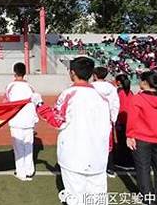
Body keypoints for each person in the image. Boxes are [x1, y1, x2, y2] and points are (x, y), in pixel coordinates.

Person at [34, 57, 111, 205]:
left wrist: (39, 104)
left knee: (76, 198)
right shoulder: (102, 98)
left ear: (72, 73)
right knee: (98, 199)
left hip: (74, 156)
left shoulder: (69, 94)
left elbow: (57, 120)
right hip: (98, 158)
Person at [126, 71, 157, 204]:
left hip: (142, 139)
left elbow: (132, 119)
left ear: (145, 83)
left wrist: (129, 135)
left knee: (143, 169)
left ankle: (147, 197)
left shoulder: (138, 99)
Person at [4, 62, 38, 181]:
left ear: (14, 72)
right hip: (29, 121)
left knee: (18, 148)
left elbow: (5, 102)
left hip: (16, 120)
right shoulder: (30, 87)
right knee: (28, 147)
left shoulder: (10, 86)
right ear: (25, 73)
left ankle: (21, 172)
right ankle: (30, 170)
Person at [92, 67, 120, 178]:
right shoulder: (111, 88)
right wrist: (113, 118)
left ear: (94, 75)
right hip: (106, 119)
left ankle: (95, 167)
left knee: (93, 143)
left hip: (93, 119)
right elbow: (115, 104)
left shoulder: (91, 87)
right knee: (107, 144)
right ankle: (110, 168)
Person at [114, 74, 134, 170]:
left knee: (121, 141)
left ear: (118, 82)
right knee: (128, 140)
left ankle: (122, 162)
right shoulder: (130, 92)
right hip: (130, 119)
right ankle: (129, 160)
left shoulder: (119, 92)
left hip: (121, 119)